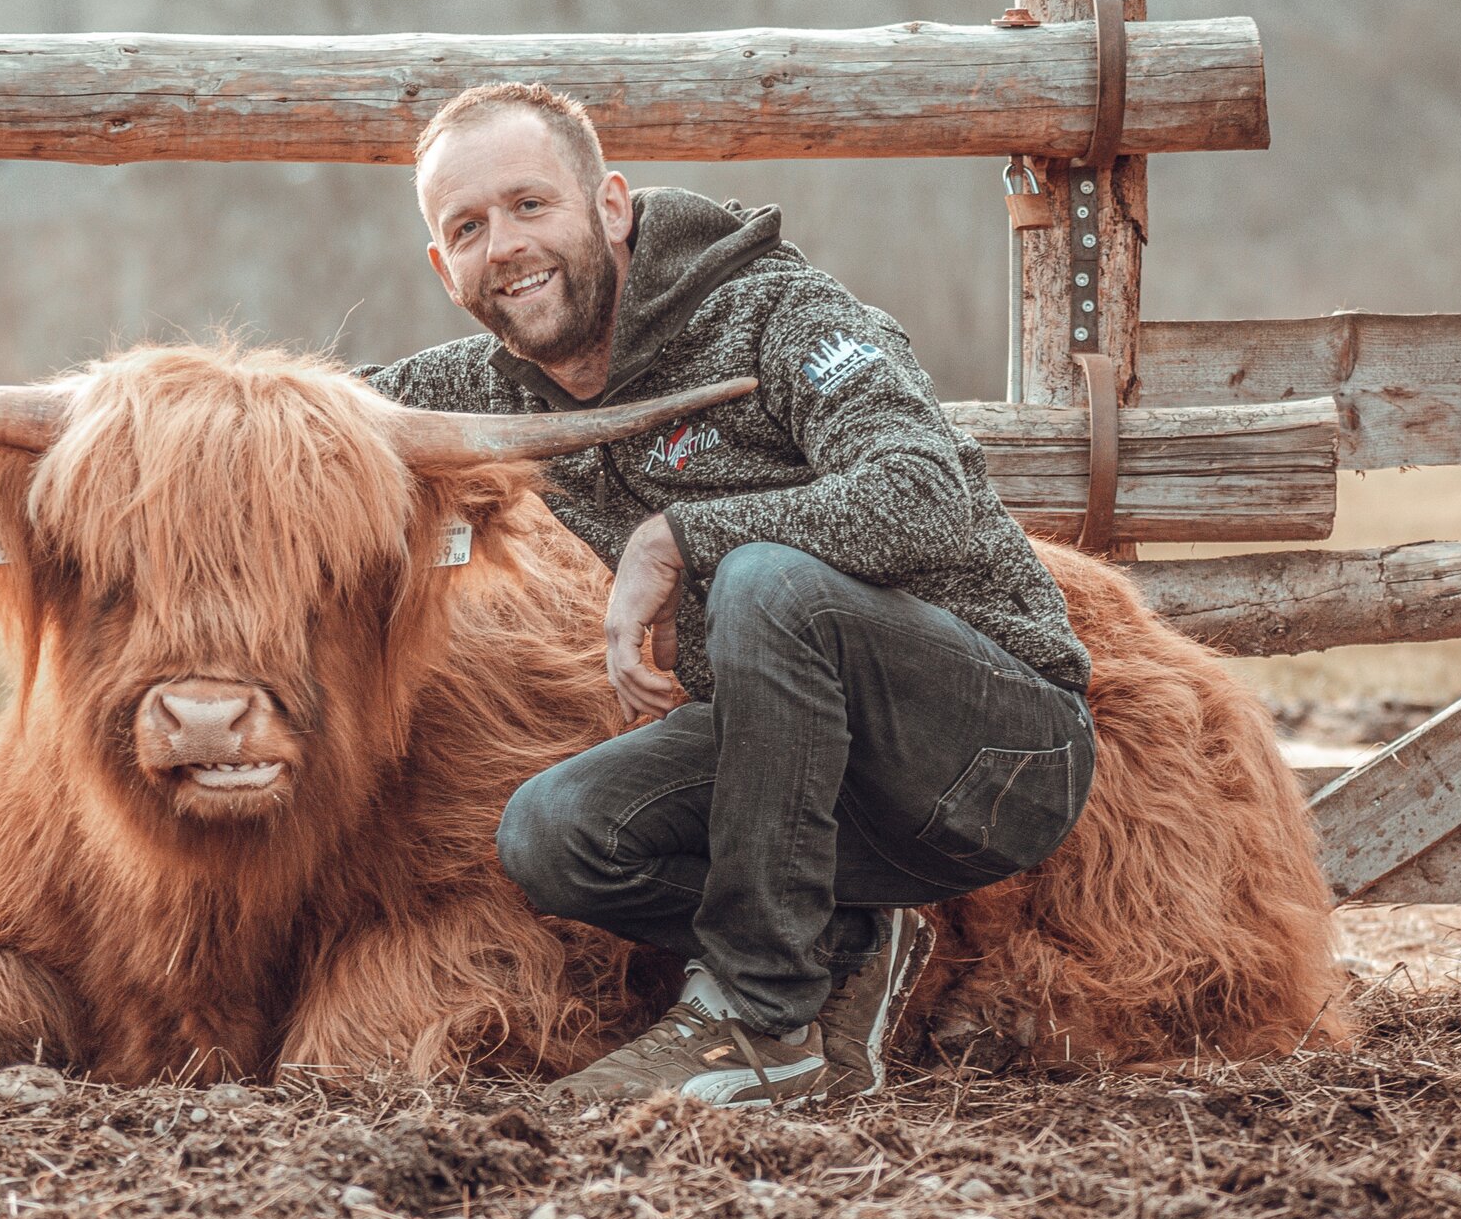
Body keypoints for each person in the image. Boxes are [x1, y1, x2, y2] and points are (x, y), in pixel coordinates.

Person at [354, 82, 1096, 1107]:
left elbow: (925, 494)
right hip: (805, 779)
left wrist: (679, 537)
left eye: (530, 204)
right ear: (444, 268)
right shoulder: (484, 387)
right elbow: (298, 412)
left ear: (610, 206)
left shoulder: (775, 313)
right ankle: (842, 940)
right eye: (468, 227)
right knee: (552, 833)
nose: (506, 246)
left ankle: (759, 1019)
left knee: (764, 579)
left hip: (995, 754)